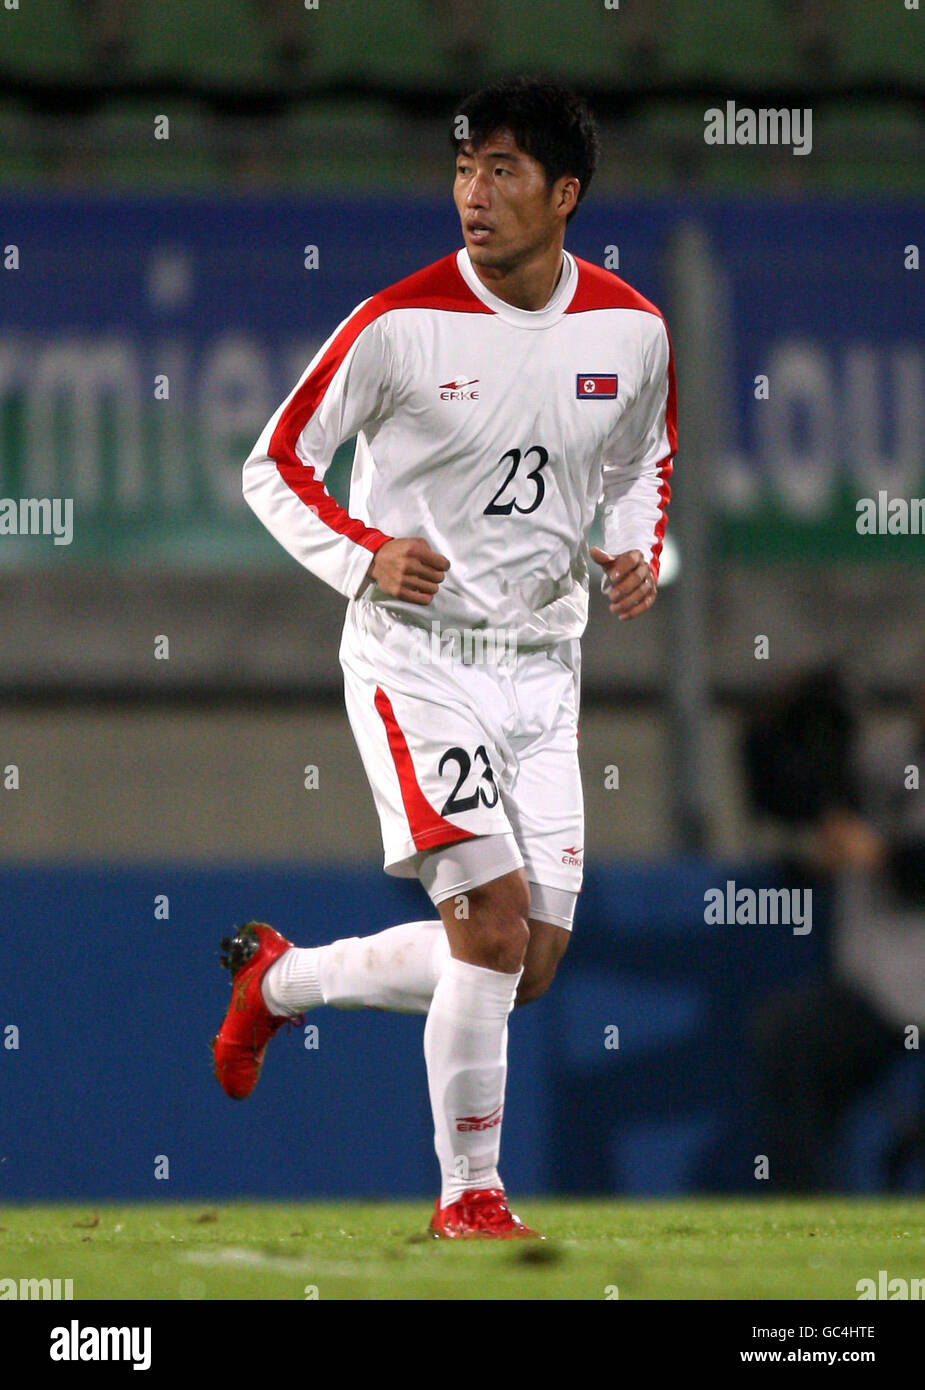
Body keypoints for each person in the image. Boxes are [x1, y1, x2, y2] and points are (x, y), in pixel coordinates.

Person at [211, 75, 677, 1238]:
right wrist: (366, 556)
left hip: (542, 669)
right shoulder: (395, 324)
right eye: (464, 168)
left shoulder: (632, 329)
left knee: (527, 964)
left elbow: (637, 463)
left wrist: (629, 550)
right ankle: (470, 1198)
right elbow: (272, 465)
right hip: (414, 659)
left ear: (565, 193)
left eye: (503, 171)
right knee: (492, 927)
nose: (473, 192)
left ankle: (280, 981)